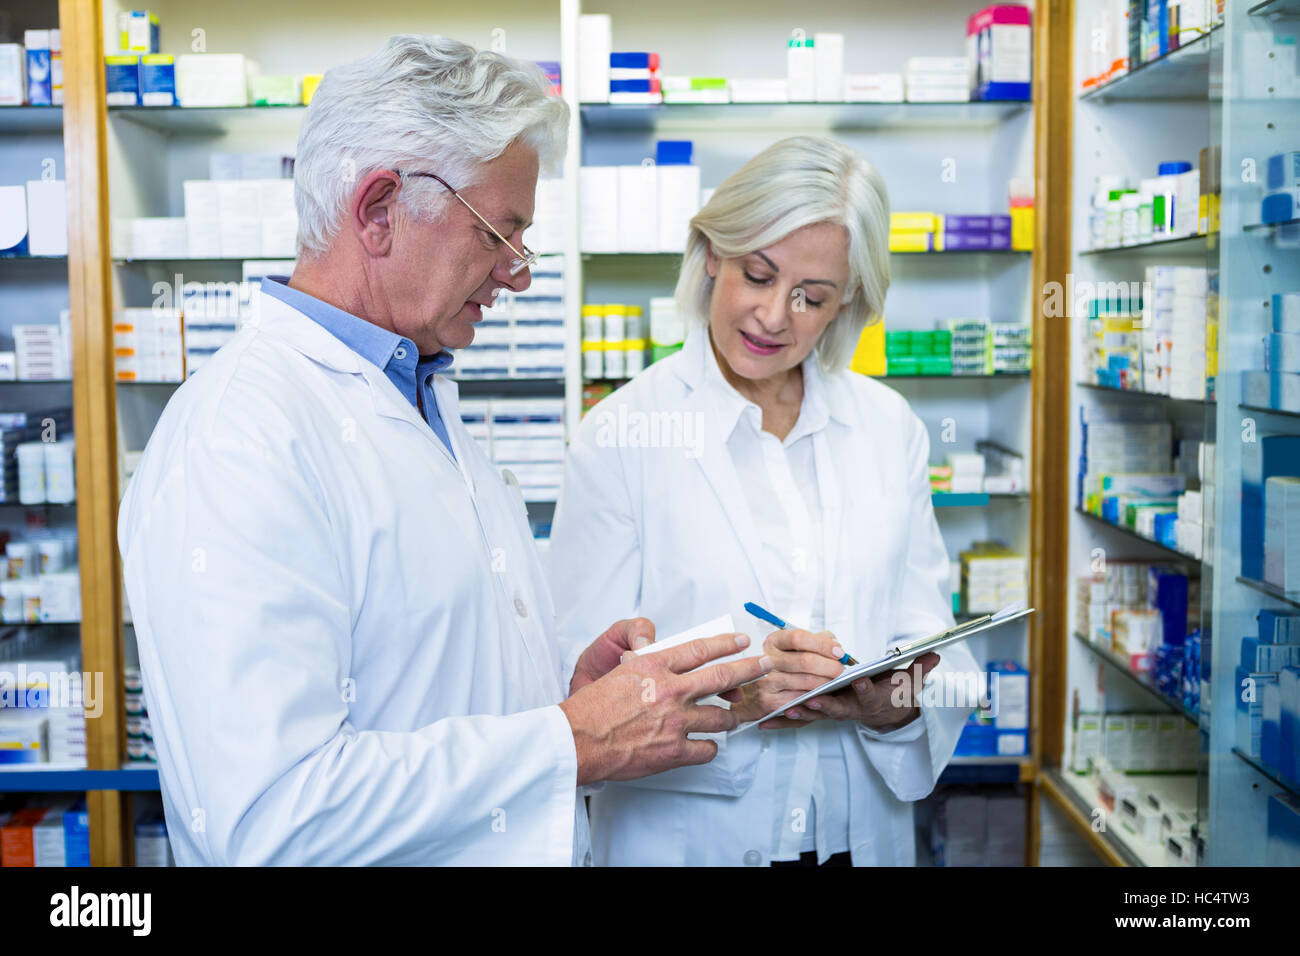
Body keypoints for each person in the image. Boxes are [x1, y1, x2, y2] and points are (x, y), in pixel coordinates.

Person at [117, 35, 769, 866]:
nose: (519, 273)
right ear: (381, 207)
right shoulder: (237, 436)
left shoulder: (420, 394)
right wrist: (570, 740)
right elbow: (271, 818)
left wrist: (564, 699)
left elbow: (422, 693)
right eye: (499, 234)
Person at [548, 136, 981, 866]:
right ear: (713, 252)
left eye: (812, 297)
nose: (775, 316)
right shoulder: (623, 433)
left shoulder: (887, 428)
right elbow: (578, 684)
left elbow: (936, 650)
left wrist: (884, 700)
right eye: (758, 275)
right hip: (688, 843)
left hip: (856, 836)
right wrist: (739, 696)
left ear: (848, 302)